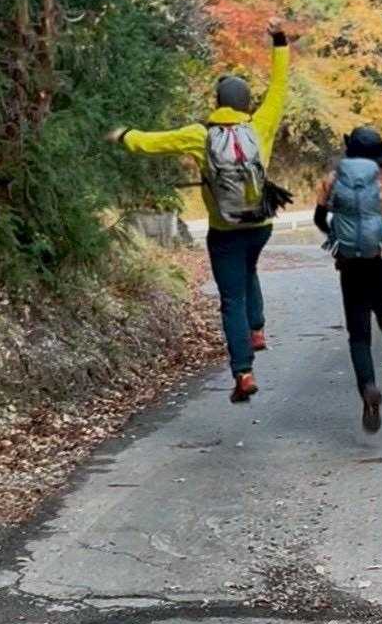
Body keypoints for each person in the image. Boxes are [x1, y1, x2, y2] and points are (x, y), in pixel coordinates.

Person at [108, 20, 290, 403]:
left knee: (231, 298)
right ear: (246, 104)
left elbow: (152, 143)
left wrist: (124, 136)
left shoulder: (200, 135)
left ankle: (243, 373)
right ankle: (257, 330)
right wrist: (279, 41)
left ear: (218, 103)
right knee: (251, 269)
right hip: (261, 224)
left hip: (224, 230)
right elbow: (279, 86)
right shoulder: (261, 125)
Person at [313, 90, 382, 433]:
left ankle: (368, 390)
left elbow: (318, 220)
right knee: (377, 287)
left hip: (352, 264)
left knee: (358, 336)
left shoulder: (333, 180)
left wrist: (339, 235)